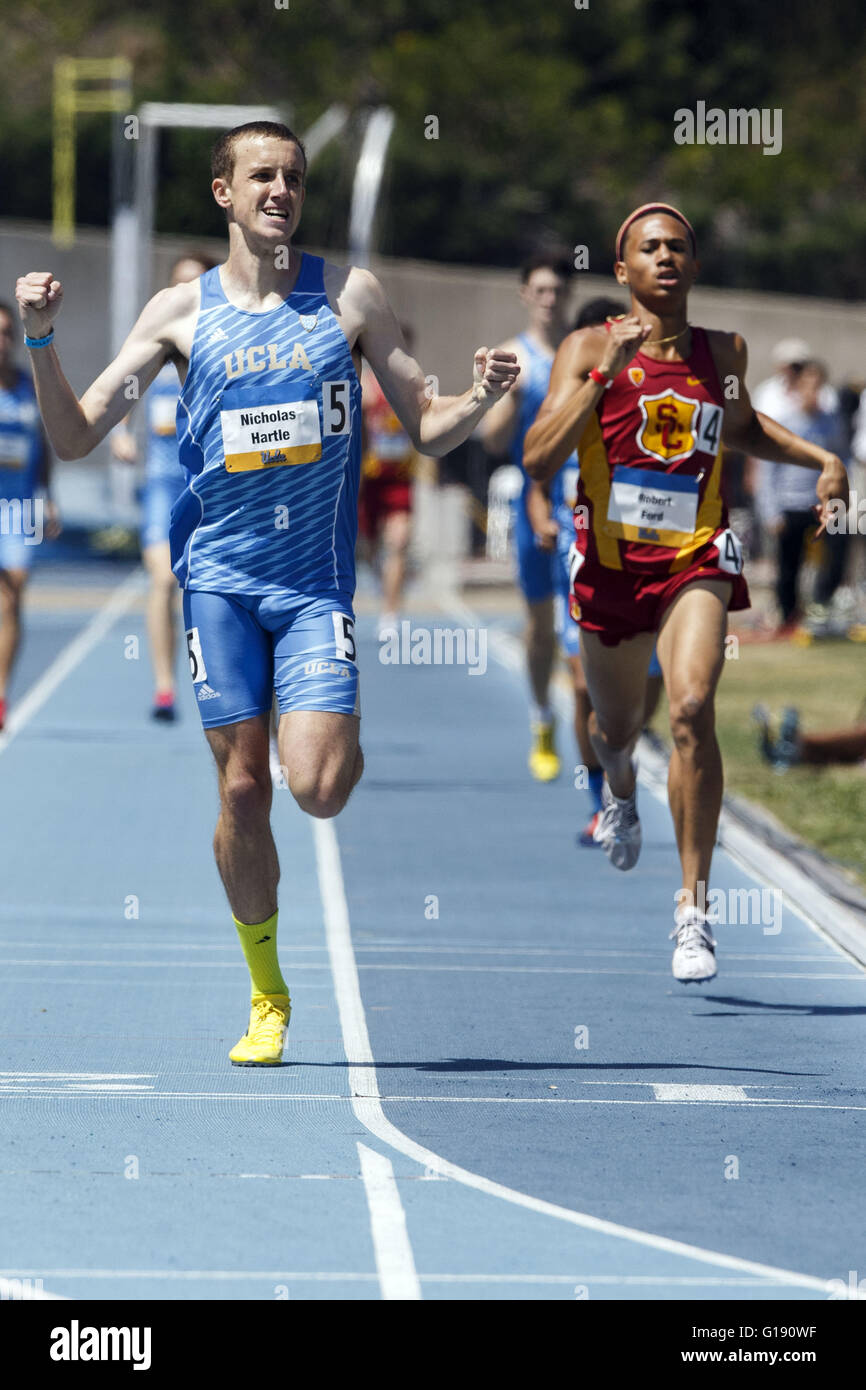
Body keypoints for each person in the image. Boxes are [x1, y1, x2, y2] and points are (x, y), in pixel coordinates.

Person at [16, 120, 519, 1065]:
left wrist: (482, 395)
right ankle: (268, 993)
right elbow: (77, 436)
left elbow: (429, 426)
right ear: (225, 193)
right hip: (219, 585)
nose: (280, 190)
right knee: (245, 789)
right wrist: (43, 340)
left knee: (319, 788)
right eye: (261, 176)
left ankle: (335, 738)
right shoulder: (178, 314)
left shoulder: (350, 296)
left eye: (292, 177)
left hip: (315, 584)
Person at [524, 202, 847, 983]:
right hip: (609, 568)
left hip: (694, 557)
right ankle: (621, 793)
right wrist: (606, 374)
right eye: (650, 248)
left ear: (696, 268)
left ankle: (693, 910)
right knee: (614, 728)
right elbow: (538, 455)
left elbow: (741, 428)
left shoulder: (723, 350)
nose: (666, 258)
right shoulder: (587, 347)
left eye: (679, 248)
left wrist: (820, 458)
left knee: (693, 707)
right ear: (622, 268)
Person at [525, 294, 664, 845]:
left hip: (641, 556)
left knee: (639, 698)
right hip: (577, 556)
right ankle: (600, 801)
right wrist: (540, 516)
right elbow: (537, 470)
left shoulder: (644, 393)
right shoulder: (569, 389)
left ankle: (622, 761)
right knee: (584, 684)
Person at [110, 252, 217, 720]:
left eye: (193, 285)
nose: (183, 295)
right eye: (176, 284)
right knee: (161, 578)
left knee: (212, 587)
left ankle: (219, 682)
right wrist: (121, 433)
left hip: (210, 487)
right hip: (162, 484)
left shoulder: (218, 346)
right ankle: (164, 686)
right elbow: (127, 387)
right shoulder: (158, 345)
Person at [481, 251, 573, 781]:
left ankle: (605, 720)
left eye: (558, 290)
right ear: (525, 295)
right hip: (534, 501)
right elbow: (492, 442)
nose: (549, 299)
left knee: (587, 623)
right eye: (540, 290)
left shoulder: (588, 350)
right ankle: (543, 716)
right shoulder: (514, 357)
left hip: (586, 501)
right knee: (539, 627)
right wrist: (508, 405)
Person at [755, 361, 849, 633]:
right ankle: (787, 616)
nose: (813, 392)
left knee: (835, 555)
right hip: (790, 503)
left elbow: (842, 459)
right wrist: (771, 511)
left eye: (818, 386)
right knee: (788, 565)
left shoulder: (832, 422)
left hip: (823, 505)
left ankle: (822, 608)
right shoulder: (785, 423)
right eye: (808, 385)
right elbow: (767, 471)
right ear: (798, 388)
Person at [0, 301, 60, 729]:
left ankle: (1, 693)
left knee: (11, 594)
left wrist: (48, 497)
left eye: (6, 332)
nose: (0, 341)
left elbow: (43, 450)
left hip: (18, 510)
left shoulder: (28, 389)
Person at [358, 324, 419, 639]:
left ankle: (390, 613)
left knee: (398, 542)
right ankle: (386, 586)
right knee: (368, 551)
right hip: (368, 483)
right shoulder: (366, 386)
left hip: (399, 481)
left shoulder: (414, 389)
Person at [754, 704, 866, 770]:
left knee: (782, 752)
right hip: (805, 749)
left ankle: (777, 732)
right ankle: (779, 733)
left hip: (805, 751)